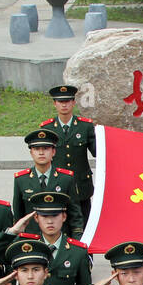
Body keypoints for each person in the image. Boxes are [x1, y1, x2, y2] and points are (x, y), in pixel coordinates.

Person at [0, 191, 92, 285]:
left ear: (64, 217)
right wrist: (12, 232)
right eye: (44, 216)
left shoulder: (77, 252)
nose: (50, 221)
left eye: (55, 215)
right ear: (36, 218)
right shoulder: (24, 246)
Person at [39, 85, 97, 220]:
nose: (64, 105)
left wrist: (105, 137)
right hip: (57, 184)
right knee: (59, 220)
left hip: (81, 185)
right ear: (55, 104)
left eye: (68, 101)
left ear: (73, 102)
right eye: (60, 102)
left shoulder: (85, 126)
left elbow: (97, 152)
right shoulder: (47, 128)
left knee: (84, 222)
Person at [12, 129, 85, 237]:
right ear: (31, 152)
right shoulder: (21, 179)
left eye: (46, 149)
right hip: (33, 240)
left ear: (53, 152)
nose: (41, 153)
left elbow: (75, 215)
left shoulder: (66, 179)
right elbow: (19, 215)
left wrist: (77, 240)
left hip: (60, 239)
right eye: (37, 149)